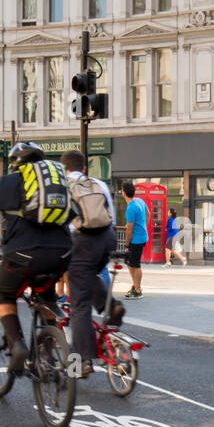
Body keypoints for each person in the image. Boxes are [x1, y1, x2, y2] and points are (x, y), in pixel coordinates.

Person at [0, 143, 73, 374]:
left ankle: (18, 345)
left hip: (21, 255)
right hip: (61, 253)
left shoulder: (5, 183)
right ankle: (49, 348)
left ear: (14, 164)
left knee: (3, 295)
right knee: (46, 295)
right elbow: (74, 214)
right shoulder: (56, 185)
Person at [61, 150, 124, 377]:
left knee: (79, 306)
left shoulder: (63, 184)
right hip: (107, 238)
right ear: (85, 168)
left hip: (81, 241)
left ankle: (82, 363)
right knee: (87, 276)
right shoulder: (98, 183)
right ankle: (112, 306)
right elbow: (111, 216)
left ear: (64, 169)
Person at [120, 181, 149, 299]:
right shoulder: (140, 201)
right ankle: (135, 285)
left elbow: (129, 230)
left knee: (136, 264)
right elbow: (148, 213)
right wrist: (144, 226)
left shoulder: (131, 208)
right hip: (142, 236)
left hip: (136, 240)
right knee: (129, 262)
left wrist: (126, 245)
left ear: (123, 193)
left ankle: (138, 290)